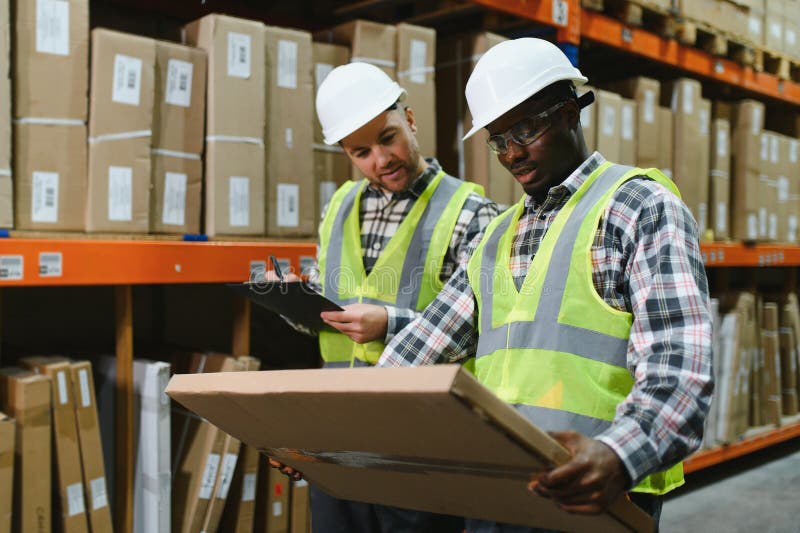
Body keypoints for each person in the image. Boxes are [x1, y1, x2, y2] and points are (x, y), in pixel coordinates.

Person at [377, 38, 714, 532]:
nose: (511, 154)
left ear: (571, 111)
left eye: (526, 130)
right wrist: (326, 429)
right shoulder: (494, 237)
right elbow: (420, 348)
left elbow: (680, 366)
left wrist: (619, 455)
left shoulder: (638, 207)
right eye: (497, 140)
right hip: (497, 491)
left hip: (594, 493)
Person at [266, 61, 499, 532]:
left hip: (424, 442)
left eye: (388, 138)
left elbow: (487, 330)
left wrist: (388, 323)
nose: (380, 160)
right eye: (361, 152)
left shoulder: (471, 212)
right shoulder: (340, 207)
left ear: (410, 121)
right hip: (341, 435)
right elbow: (331, 299)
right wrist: (295, 305)